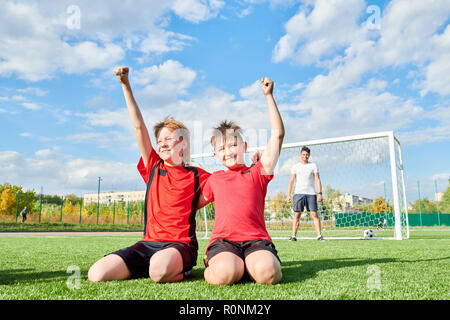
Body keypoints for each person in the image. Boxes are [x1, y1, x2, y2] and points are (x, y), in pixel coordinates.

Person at [88, 67, 210, 283]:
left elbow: (229, 185)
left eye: (168, 138)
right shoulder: (154, 167)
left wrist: (253, 165)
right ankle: (151, 265)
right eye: (159, 140)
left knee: (159, 270)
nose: (162, 143)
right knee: (97, 274)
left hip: (180, 245)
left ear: (183, 143)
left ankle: (180, 268)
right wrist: (126, 85)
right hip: (148, 243)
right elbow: (138, 127)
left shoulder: (198, 175)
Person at [200, 77, 284, 285]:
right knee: (225, 275)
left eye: (233, 145)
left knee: (269, 274)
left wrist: (269, 96)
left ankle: (249, 264)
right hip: (224, 242)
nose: (228, 151)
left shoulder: (258, 172)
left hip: (256, 241)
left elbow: (278, 135)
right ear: (215, 155)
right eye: (221, 148)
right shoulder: (214, 179)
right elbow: (189, 205)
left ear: (244, 146)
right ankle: (224, 265)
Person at [286, 146, 324, 241]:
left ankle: (319, 236)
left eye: (307, 155)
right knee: (297, 215)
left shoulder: (313, 166)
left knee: (314, 214)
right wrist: (288, 194)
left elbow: (317, 179)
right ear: (300, 155)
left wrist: (320, 193)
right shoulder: (295, 166)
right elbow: (291, 181)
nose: (305, 156)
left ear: (309, 155)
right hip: (298, 193)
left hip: (311, 194)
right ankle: (293, 236)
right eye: (303, 154)